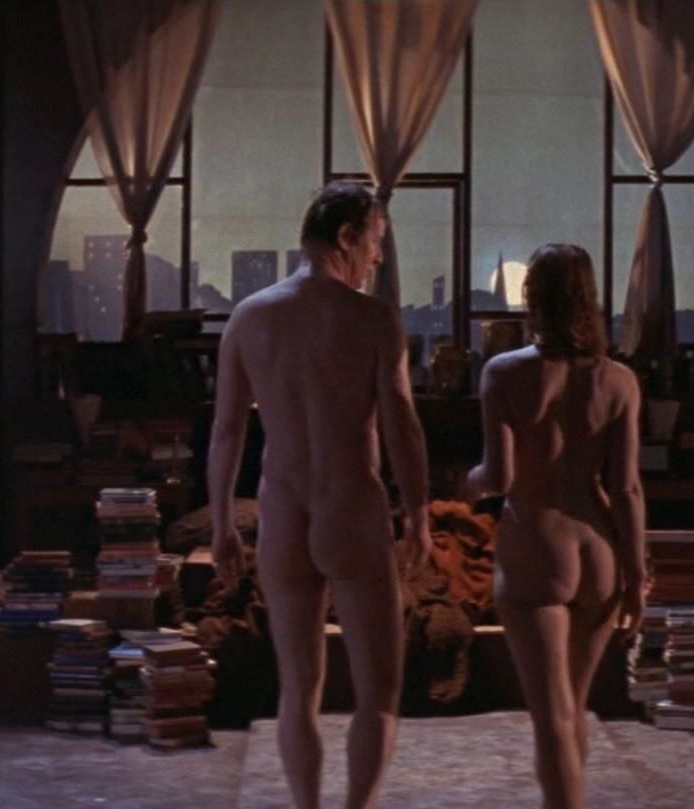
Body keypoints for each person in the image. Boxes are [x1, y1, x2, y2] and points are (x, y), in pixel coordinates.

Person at [206, 181, 431, 809]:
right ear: (347, 237)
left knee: (297, 690)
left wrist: (223, 524)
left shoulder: (250, 317)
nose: (378, 258)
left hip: (283, 514)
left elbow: (226, 430)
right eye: (376, 243)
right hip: (349, 510)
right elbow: (402, 425)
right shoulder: (371, 319)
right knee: (378, 694)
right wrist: (418, 514)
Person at [465, 243, 645, 809]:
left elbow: (499, 476)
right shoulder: (619, 381)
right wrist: (638, 575)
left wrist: (466, 484)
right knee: (572, 706)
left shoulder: (505, 373)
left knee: (551, 718)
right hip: (599, 550)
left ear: (532, 297)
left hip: (538, 547)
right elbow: (626, 488)